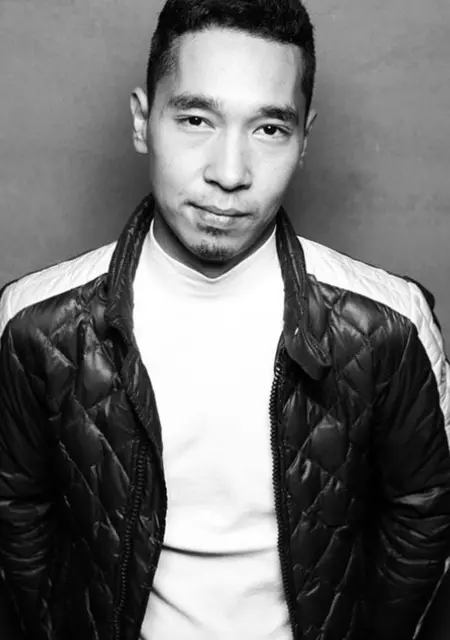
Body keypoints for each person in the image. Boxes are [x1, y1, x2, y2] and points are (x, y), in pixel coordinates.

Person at [0, 0, 450, 638]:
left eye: (269, 129)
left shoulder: (390, 325)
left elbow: (424, 514)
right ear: (142, 121)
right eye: (195, 119)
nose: (230, 174)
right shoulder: (31, 324)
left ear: (304, 139)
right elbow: (17, 511)